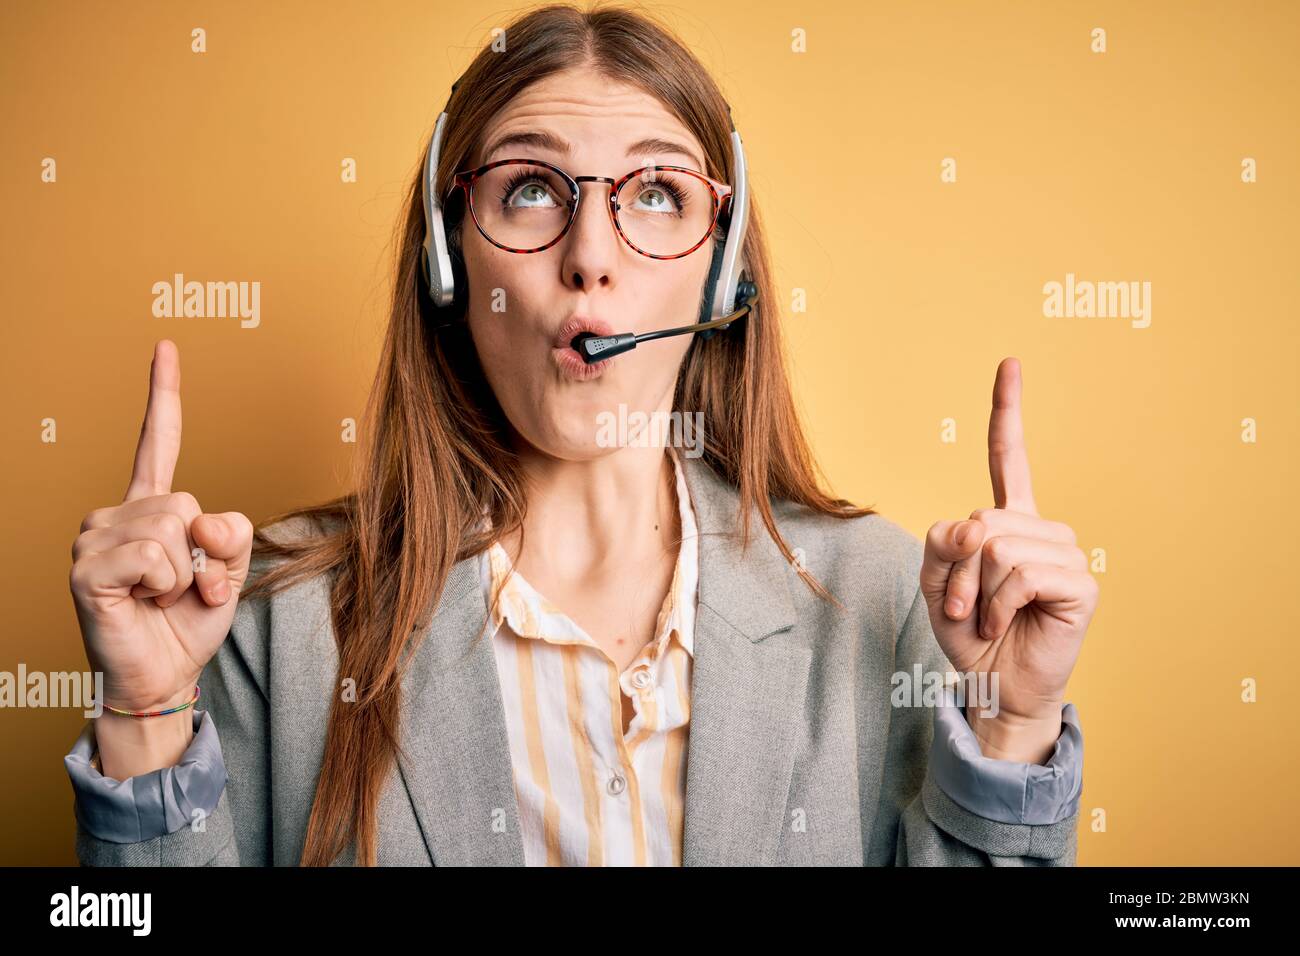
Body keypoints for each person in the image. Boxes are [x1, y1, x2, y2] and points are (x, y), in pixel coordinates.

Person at [63, 3, 1096, 866]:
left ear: (723, 268)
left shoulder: (886, 602)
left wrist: (1010, 724)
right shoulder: (272, 625)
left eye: (655, 193)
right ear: (447, 261)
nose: (590, 256)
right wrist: (147, 715)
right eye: (528, 189)